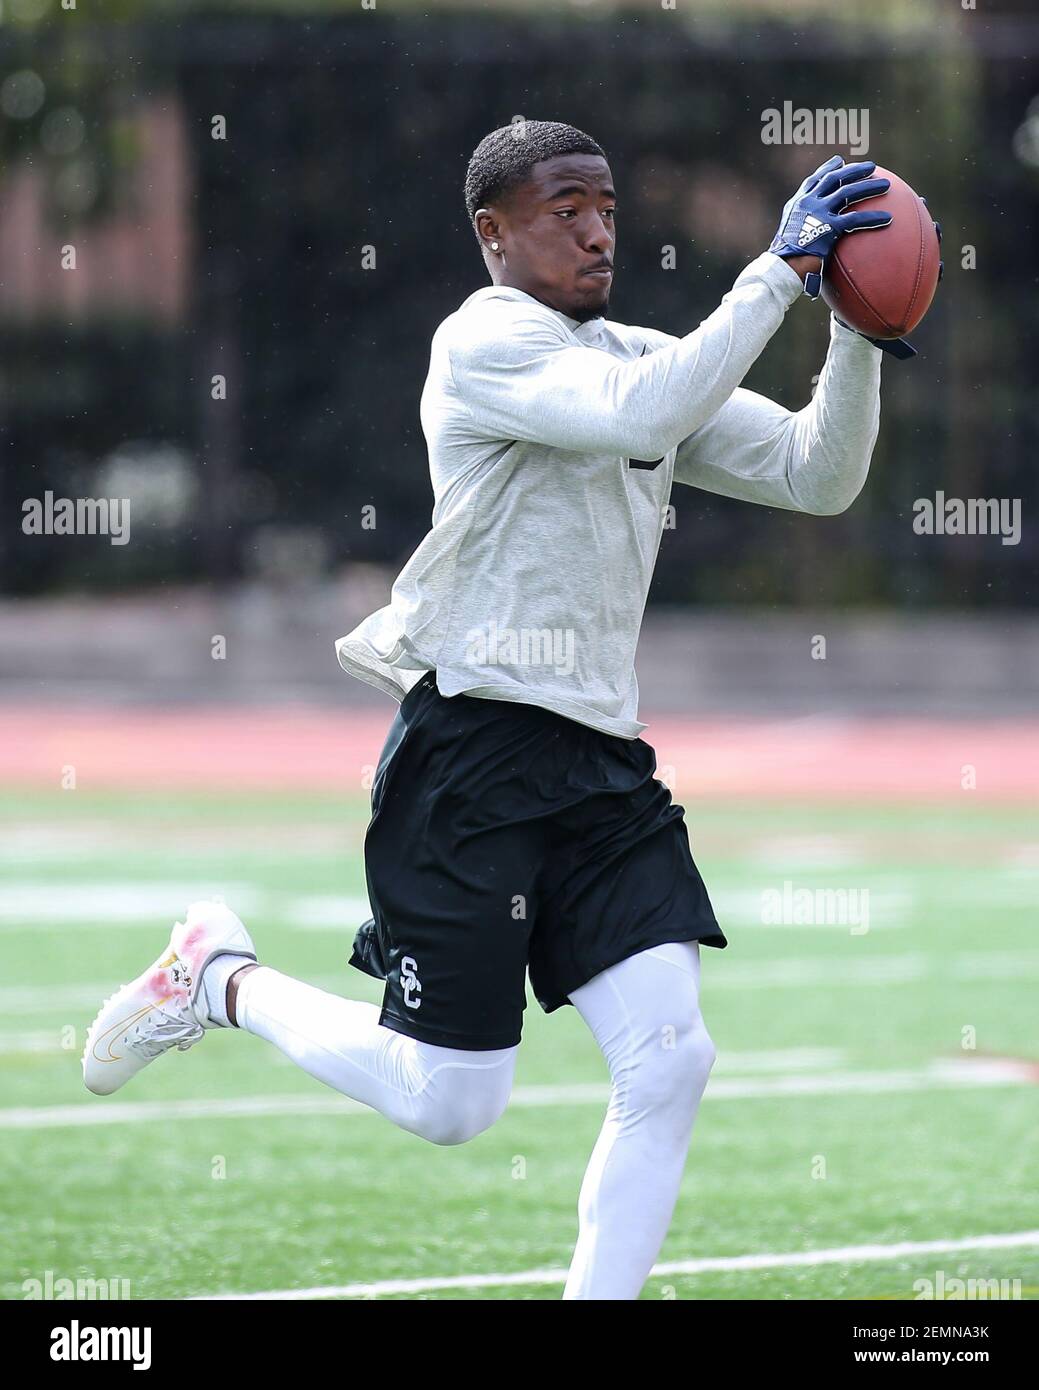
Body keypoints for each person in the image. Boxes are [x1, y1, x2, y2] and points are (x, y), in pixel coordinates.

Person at [83, 121, 893, 1300]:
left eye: (607, 205)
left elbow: (818, 477)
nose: (596, 227)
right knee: (451, 1100)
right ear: (493, 231)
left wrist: (857, 331)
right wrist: (774, 270)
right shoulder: (485, 342)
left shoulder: (633, 353)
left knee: (671, 1060)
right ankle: (217, 979)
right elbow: (639, 414)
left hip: (601, 767)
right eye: (563, 206)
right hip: (473, 753)